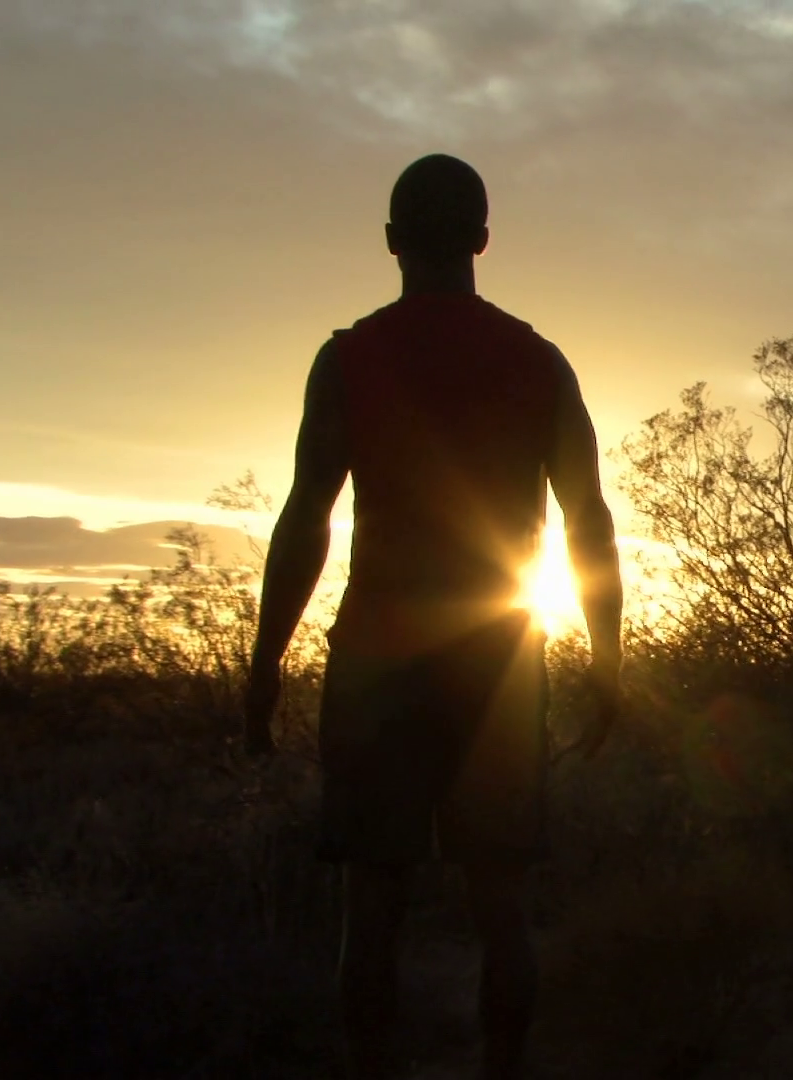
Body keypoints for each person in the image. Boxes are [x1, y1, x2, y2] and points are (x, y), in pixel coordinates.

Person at [242, 153, 624, 1080]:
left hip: (376, 655)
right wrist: (608, 666)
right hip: (498, 661)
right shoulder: (538, 361)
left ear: (390, 243)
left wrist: (264, 667)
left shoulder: (348, 359)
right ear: (483, 241)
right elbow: (589, 521)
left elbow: (307, 520)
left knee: (370, 909)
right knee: (502, 909)